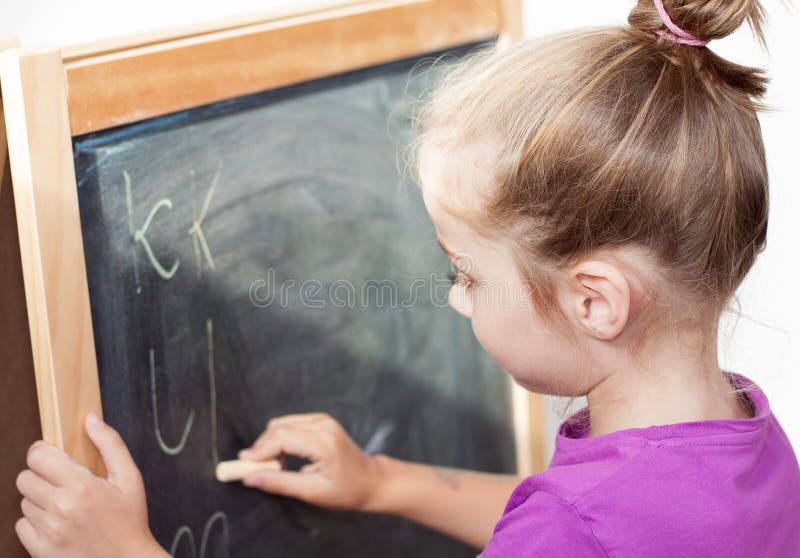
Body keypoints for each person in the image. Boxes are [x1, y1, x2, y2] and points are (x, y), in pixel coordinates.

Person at [14, 0, 800, 556]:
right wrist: (382, 483)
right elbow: (586, 523)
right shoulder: (745, 438)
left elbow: (571, 533)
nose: (455, 299)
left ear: (593, 300)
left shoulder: (572, 534)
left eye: (465, 272)